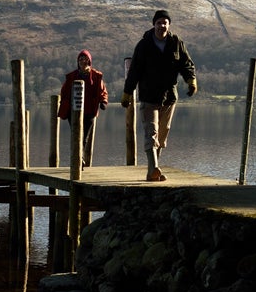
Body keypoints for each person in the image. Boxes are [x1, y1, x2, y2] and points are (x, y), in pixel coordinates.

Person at [121, 10, 198, 182]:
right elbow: (134, 71)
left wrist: (191, 80)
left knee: (163, 133)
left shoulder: (176, 42)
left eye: (165, 22)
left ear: (168, 25)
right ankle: (153, 167)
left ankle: (153, 170)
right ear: (154, 25)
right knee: (151, 131)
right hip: (149, 96)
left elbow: (186, 64)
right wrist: (127, 92)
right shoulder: (144, 45)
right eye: (159, 23)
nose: (162, 26)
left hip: (170, 96)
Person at [56, 49, 109, 167]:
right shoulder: (72, 76)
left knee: (84, 136)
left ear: (89, 61)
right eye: (80, 59)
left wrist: (103, 102)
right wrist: (64, 105)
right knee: (76, 134)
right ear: (78, 62)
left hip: (90, 111)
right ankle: (79, 159)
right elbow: (64, 92)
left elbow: (102, 91)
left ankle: (79, 159)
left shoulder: (96, 76)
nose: (83, 62)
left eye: (85, 59)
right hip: (73, 112)